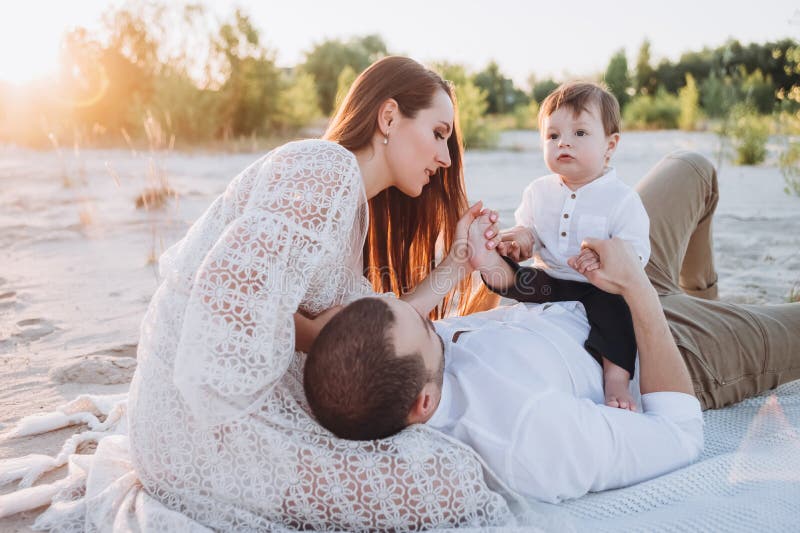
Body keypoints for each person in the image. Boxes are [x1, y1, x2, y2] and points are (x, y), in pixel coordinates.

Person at [121, 56, 514, 531]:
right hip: (200, 421)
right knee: (445, 480)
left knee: (449, 465)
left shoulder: (349, 208)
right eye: (438, 133)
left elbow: (377, 326)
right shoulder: (323, 168)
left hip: (238, 405)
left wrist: (458, 261)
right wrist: (315, 335)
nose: (446, 158)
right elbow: (227, 300)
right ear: (388, 117)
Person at [304, 150, 800, 503]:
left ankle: (705, 291)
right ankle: (708, 313)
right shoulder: (527, 437)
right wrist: (639, 291)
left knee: (692, 168)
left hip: (583, 272)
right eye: (428, 330)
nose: (430, 322)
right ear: (424, 405)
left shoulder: (400, 363)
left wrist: (475, 258)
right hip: (664, 341)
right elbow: (680, 433)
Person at [498, 81, 650, 410]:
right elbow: (531, 230)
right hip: (550, 279)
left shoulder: (621, 199)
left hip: (598, 286)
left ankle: (616, 380)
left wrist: (605, 261)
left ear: (610, 146)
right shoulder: (538, 191)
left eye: (580, 133)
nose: (564, 142)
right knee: (514, 282)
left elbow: (637, 250)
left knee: (618, 316)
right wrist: (522, 240)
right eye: (553, 136)